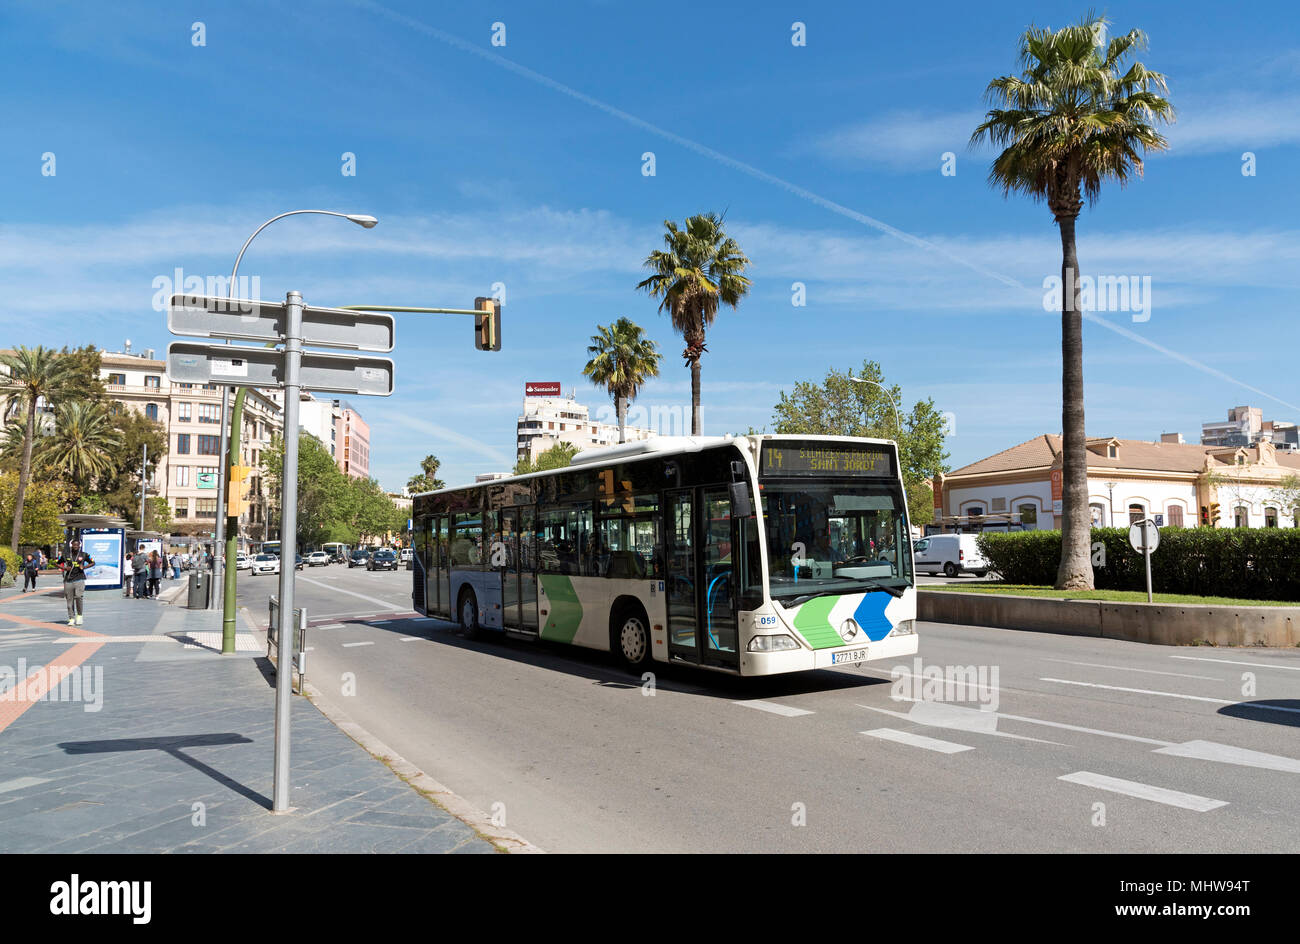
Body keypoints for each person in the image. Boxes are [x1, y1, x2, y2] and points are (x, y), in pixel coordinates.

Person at [57, 540, 93, 626]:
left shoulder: (84, 554)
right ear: (71, 545)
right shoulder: (66, 554)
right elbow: (56, 563)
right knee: (69, 600)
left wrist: (84, 567)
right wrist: (64, 568)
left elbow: (92, 563)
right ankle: (71, 618)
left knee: (78, 597)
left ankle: (79, 616)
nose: (76, 546)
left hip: (79, 579)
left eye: (77, 545)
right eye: (74, 545)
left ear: (80, 545)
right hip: (68, 580)